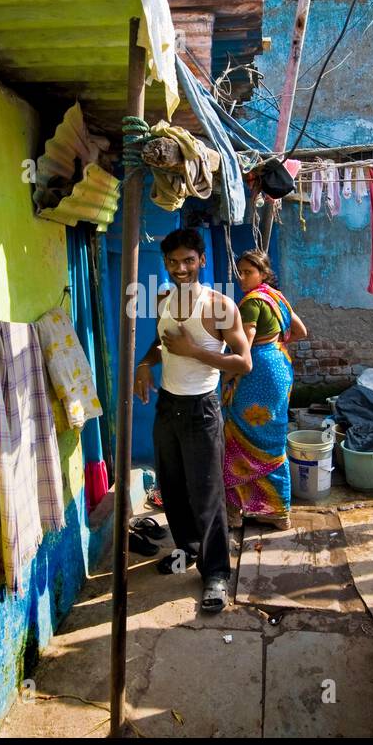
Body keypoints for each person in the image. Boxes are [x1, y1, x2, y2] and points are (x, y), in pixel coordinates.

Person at [134, 229, 250, 613]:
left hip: (201, 409)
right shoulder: (164, 298)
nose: (180, 268)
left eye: (188, 260)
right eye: (172, 262)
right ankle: (187, 549)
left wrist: (195, 351)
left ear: (201, 260)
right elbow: (162, 341)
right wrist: (146, 364)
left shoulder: (220, 306)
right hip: (168, 408)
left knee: (207, 495)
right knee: (172, 486)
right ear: (165, 264)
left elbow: (243, 362)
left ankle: (216, 572)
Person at [223, 250, 307, 530]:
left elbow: (243, 352)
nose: (242, 278)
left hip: (256, 372)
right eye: (240, 272)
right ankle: (278, 512)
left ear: (263, 272)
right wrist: (275, 343)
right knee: (273, 440)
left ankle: (235, 512)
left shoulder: (251, 303)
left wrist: (224, 377)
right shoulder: (276, 296)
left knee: (239, 438)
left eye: (248, 272)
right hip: (280, 367)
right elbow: (300, 331)